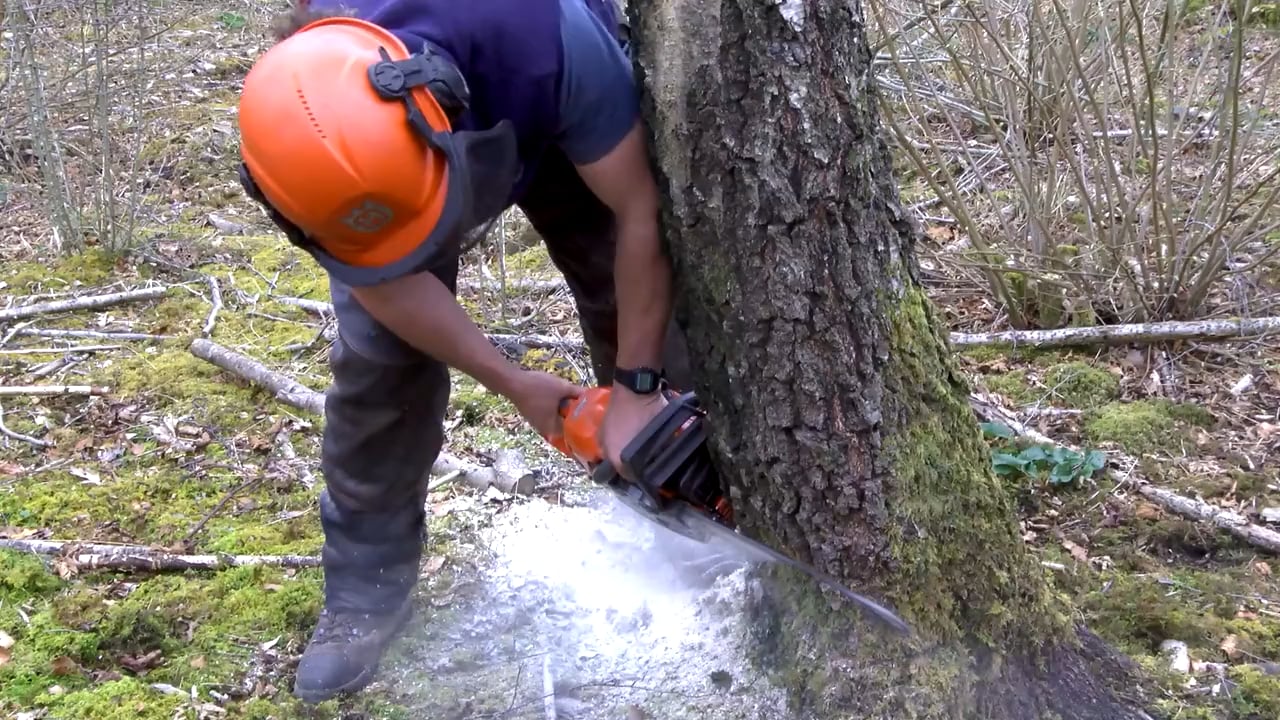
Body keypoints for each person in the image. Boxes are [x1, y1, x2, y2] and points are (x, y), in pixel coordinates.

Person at [235, 0, 694, 704]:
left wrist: (635, 388)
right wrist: (510, 381)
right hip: (385, 160)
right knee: (380, 363)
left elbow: (639, 212)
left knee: (619, 277)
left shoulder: (553, 41)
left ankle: (683, 487)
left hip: (539, 97)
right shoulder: (297, 144)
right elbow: (387, 289)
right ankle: (365, 585)